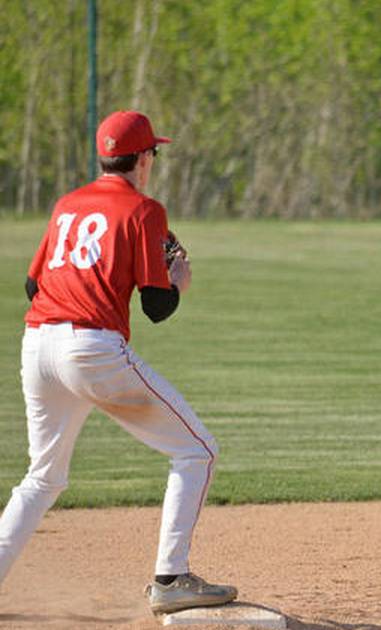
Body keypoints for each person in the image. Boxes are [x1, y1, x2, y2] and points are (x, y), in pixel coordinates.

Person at [0, 111, 237, 614]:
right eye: (155, 152)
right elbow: (156, 307)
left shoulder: (67, 204)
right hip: (91, 350)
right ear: (144, 158)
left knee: (42, 477)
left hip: (36, 344)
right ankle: (172, 579)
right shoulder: (145, 210)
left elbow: (32, 285)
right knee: (198, 452)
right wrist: (178, 281)